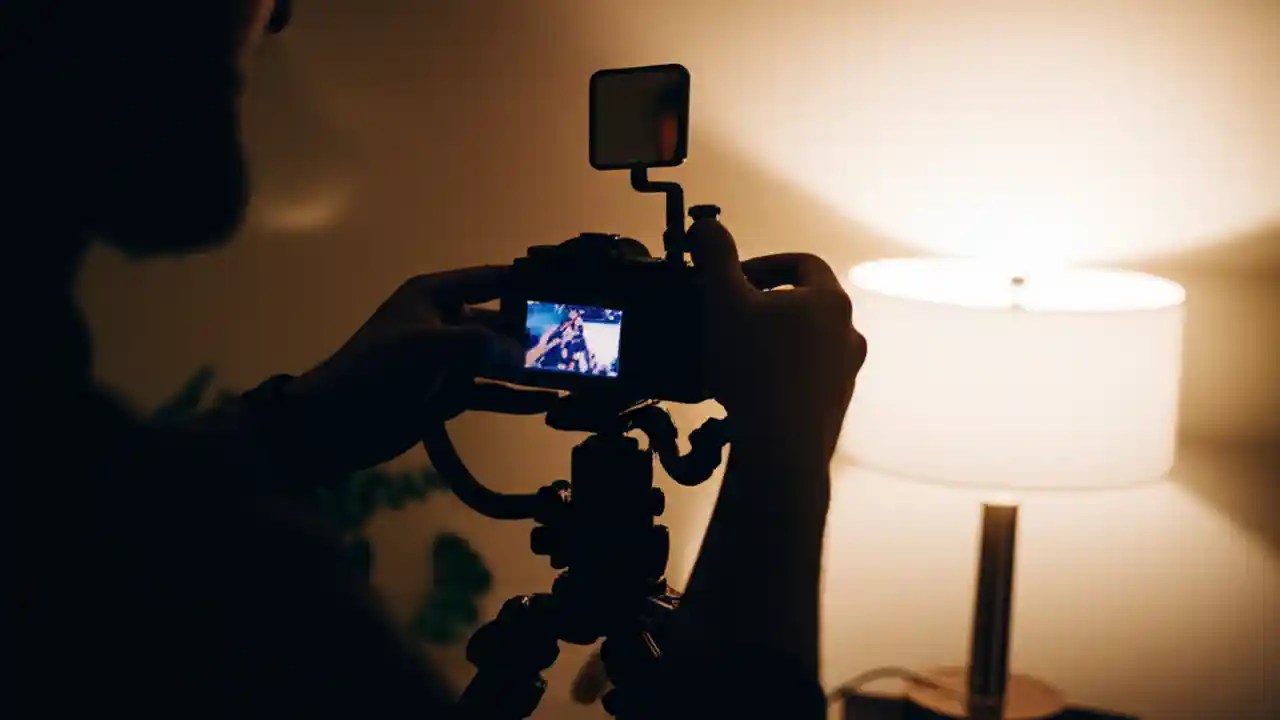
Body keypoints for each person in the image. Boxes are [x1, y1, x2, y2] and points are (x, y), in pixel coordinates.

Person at [12, 1, 866, 717]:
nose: (278, 15)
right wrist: (782, 461)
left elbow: (87, 504)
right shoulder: (203, 588)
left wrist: (294, 429)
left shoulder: (64, 493)